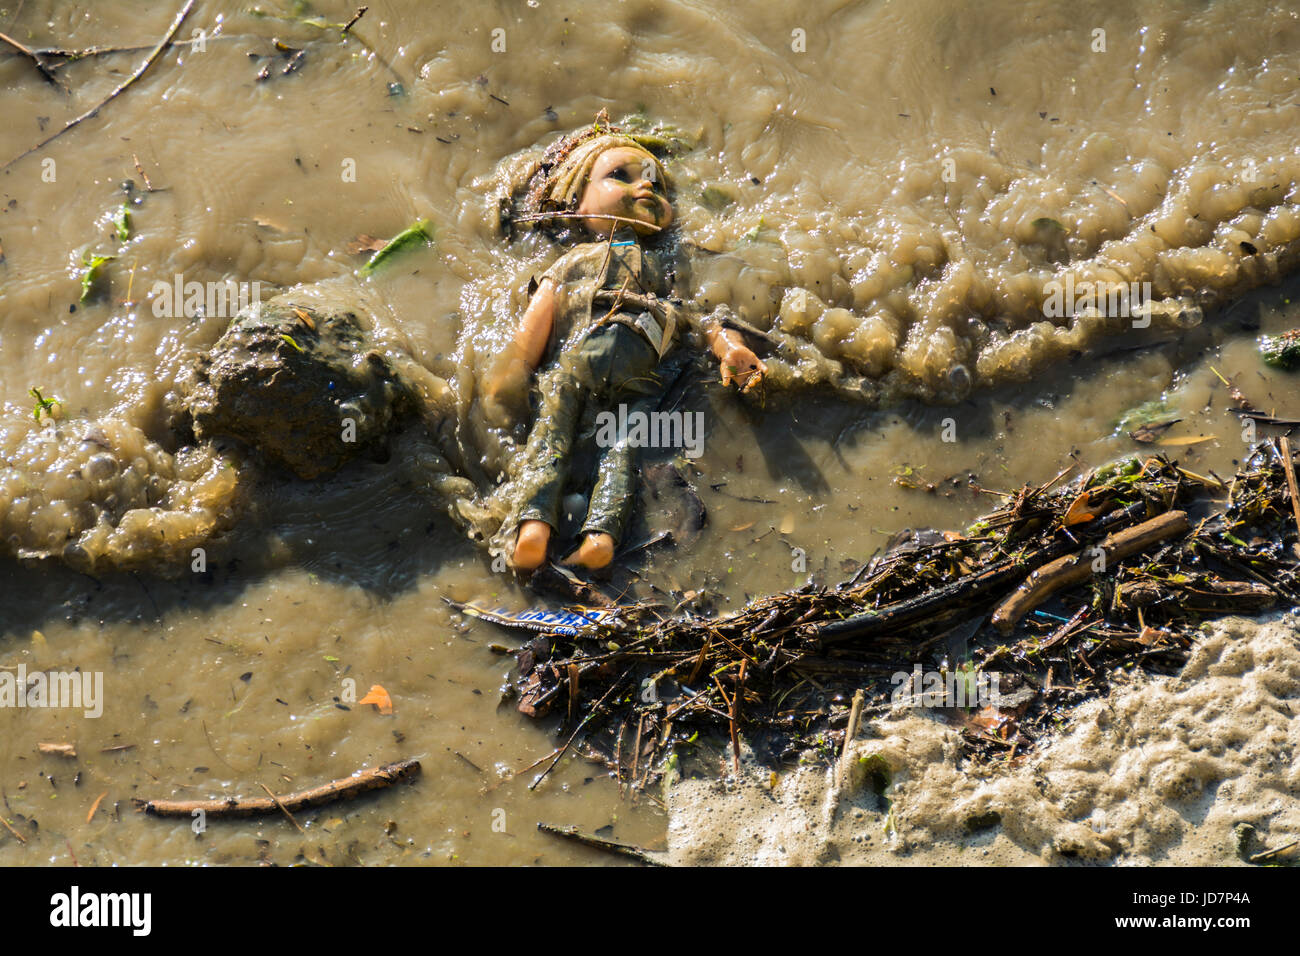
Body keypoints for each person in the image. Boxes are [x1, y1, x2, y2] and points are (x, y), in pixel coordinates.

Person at [485, 116, 766, 570]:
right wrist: (513, 370)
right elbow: (540, 317)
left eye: (655, 183)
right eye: (620, 176)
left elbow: (700, 316)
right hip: (593, 360)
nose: (645, 188)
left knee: (610, 445)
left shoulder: (668, 269)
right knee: (569, 438)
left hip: (630, 367)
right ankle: (550, 528)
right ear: (575, 204)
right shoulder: (576, 259)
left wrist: (729, 349)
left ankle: (580, 533)